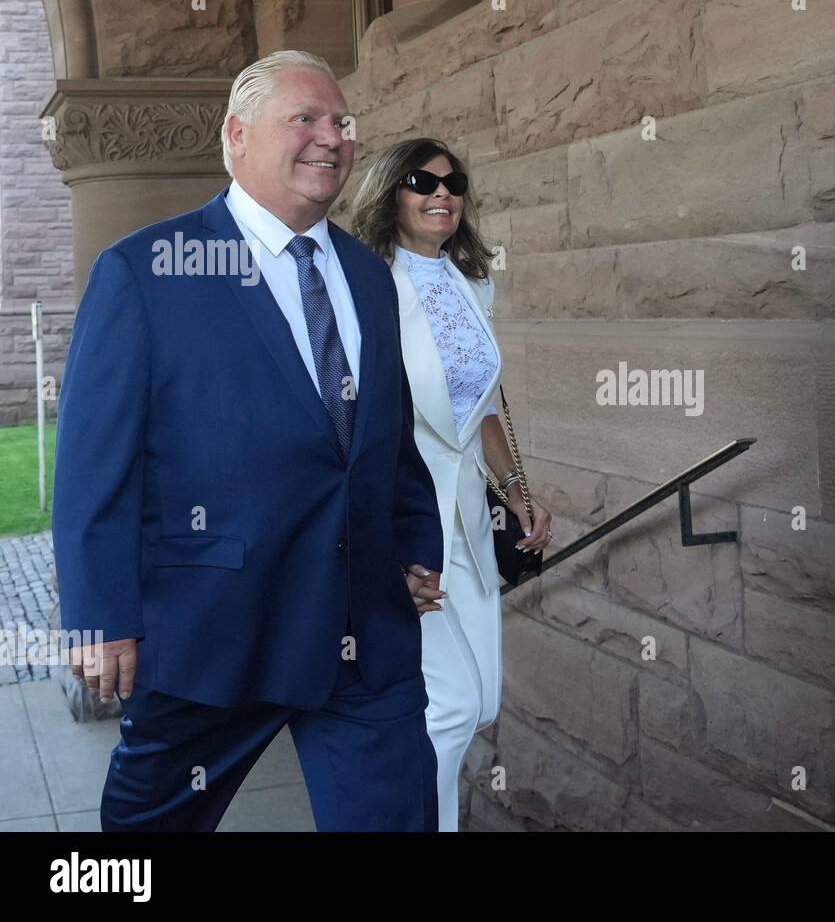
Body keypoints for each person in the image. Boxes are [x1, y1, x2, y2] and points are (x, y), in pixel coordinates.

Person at [51, 50, 447, 831]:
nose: (330, 137)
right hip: (214, 633)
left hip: (364, 631)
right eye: (303, 118)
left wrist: (414, 540)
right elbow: (93, 468)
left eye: (341, 122)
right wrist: (102, 617)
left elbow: (385, 435)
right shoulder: (145, 271)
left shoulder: (369, 277)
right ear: (236, 136)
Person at [353, 138, 553, 830]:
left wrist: (518, 491)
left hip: (468, 519)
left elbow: (485, 408)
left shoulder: (473, 285)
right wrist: (380, 540)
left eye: (454, 182)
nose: (441, 194)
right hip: (402, 525)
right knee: (451, 705)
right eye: (422, 180)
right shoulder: (368, 283)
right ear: (391, 192)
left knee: (482, 702)